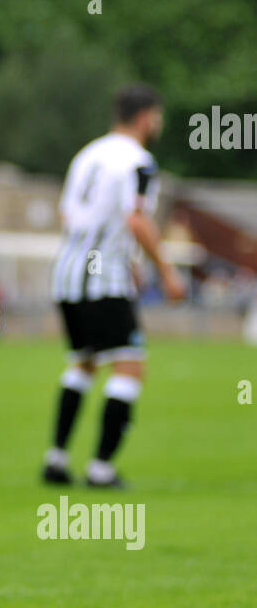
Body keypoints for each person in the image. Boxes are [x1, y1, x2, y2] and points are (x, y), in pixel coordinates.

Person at [42, 84, 185, 488]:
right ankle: (101, 469)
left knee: (83, 363)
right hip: (103, 278)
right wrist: (167, 271)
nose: (158, 123)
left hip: (68, 275)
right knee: (129, 365)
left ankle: (56, 459)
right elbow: (136, 219)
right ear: (145, 117)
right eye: (157, 116)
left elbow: (66, 213)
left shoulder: (88, 154)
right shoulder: (139, 162)